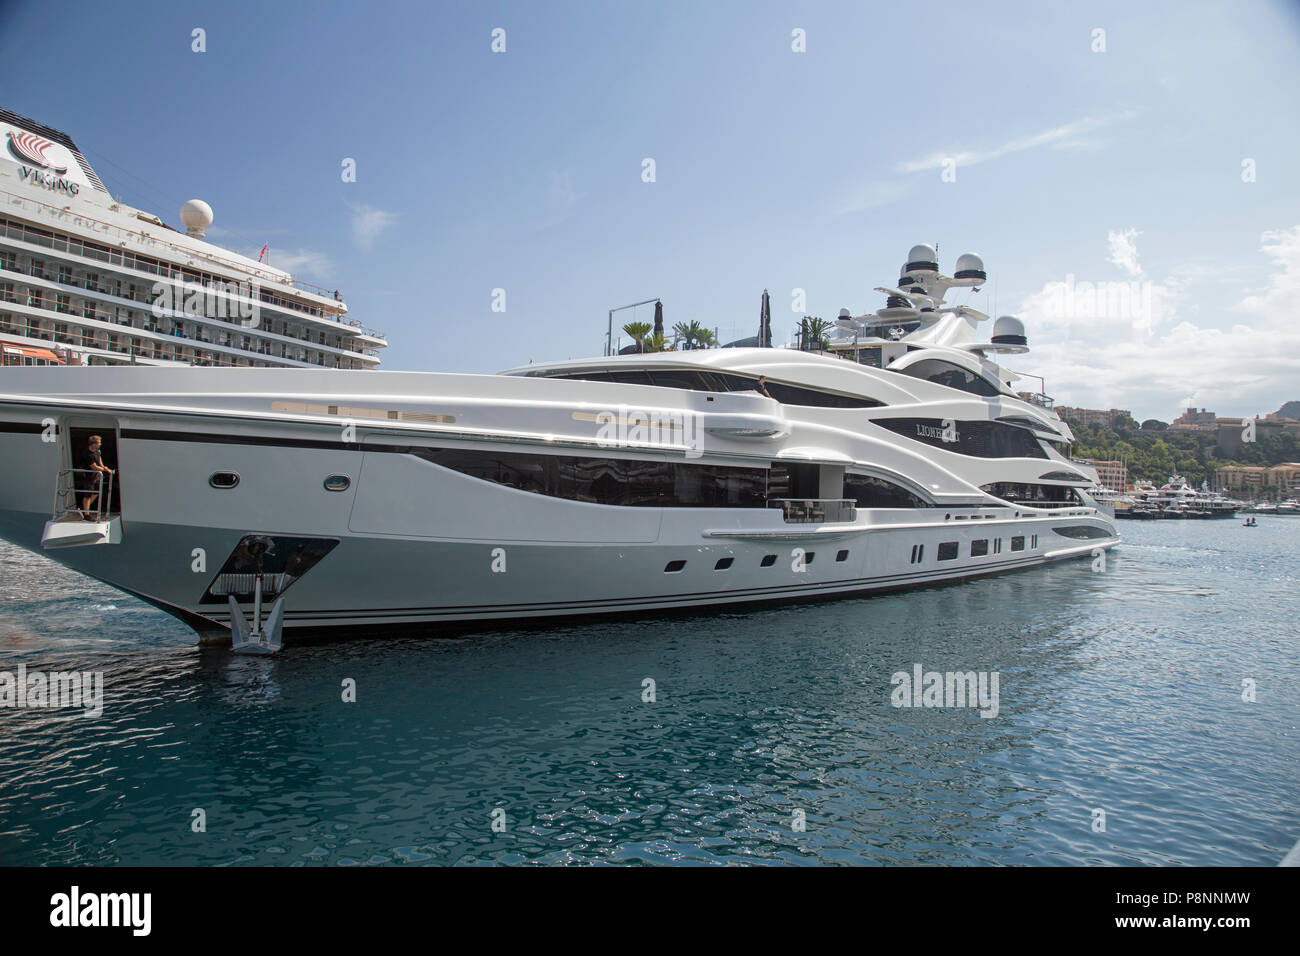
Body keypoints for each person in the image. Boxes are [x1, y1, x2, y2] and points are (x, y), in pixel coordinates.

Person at [76, 434, 113, 519]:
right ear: (93, 444)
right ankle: (86, 515)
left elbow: (100, 463)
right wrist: (105, 470)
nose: (100, 444)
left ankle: (84, 509)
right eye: (99, 443)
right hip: (88, 476)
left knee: (96, 493)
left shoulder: (98, 451)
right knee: (87, 495)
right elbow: (94, 467)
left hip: (96, 476)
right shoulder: (87, 454)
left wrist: (105, 467)